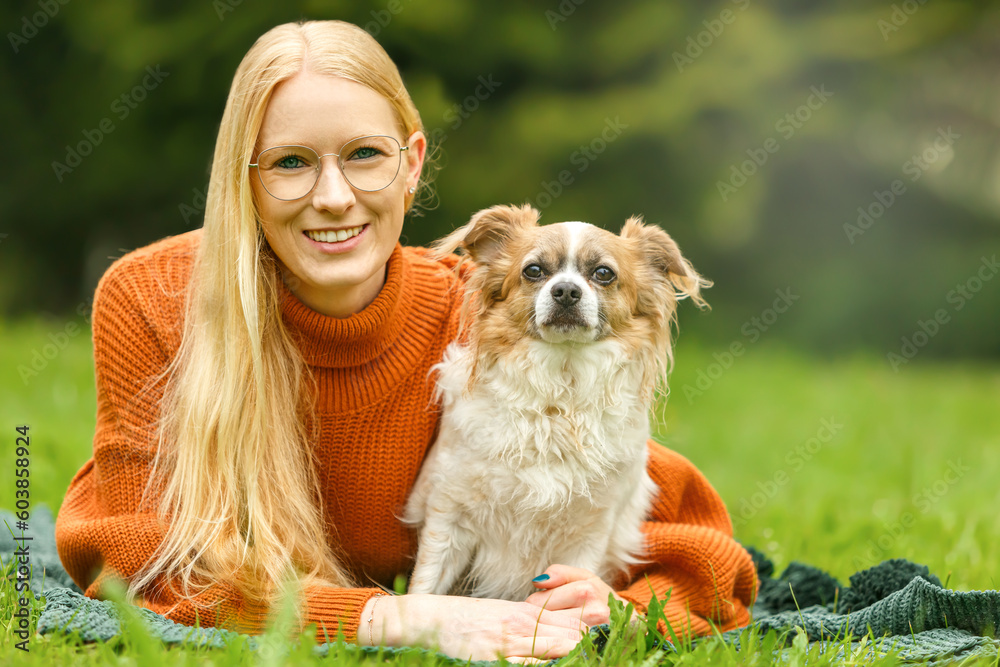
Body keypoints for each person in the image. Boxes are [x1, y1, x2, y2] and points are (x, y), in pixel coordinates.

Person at [55, 20, 758, 661]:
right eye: (292, 162)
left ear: (413, 163)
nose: (333, 195)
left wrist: (624, 609)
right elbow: (136, 562)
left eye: (364, 154)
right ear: (245, 178)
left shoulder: (481, 310)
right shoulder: (149, 297)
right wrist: (395, 618)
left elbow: (697, 542)